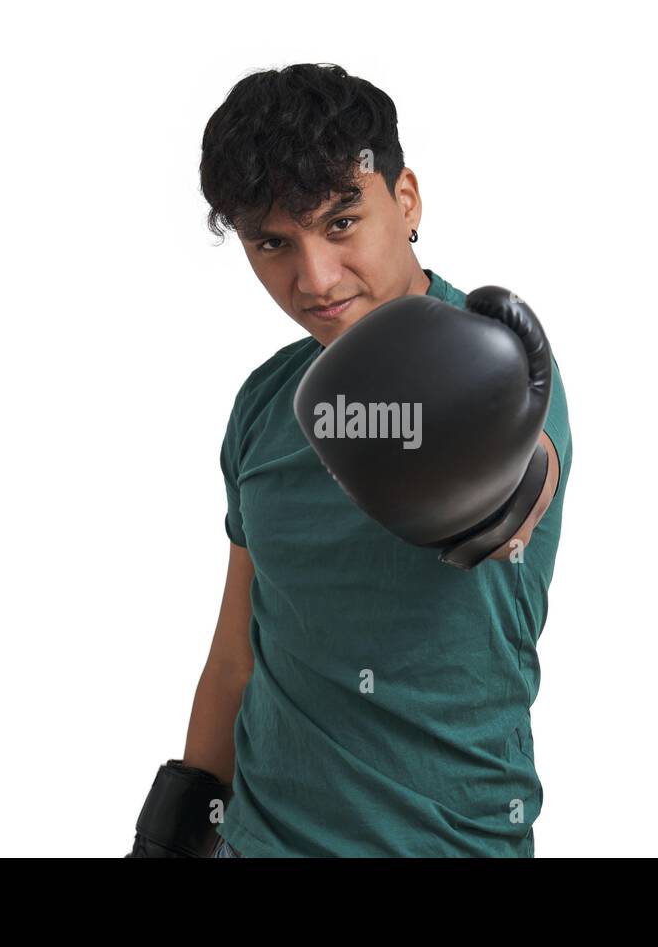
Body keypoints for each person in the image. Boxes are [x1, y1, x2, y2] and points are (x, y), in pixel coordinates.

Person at [127, 62, 572, 858]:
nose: (315, 278)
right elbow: (235, 654)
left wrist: (504, 489)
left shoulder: (490, 364)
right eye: (273, 243)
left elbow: (514, 498)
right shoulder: (267, 401)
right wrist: (169, 836)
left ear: (407, 200)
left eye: (341, 223)